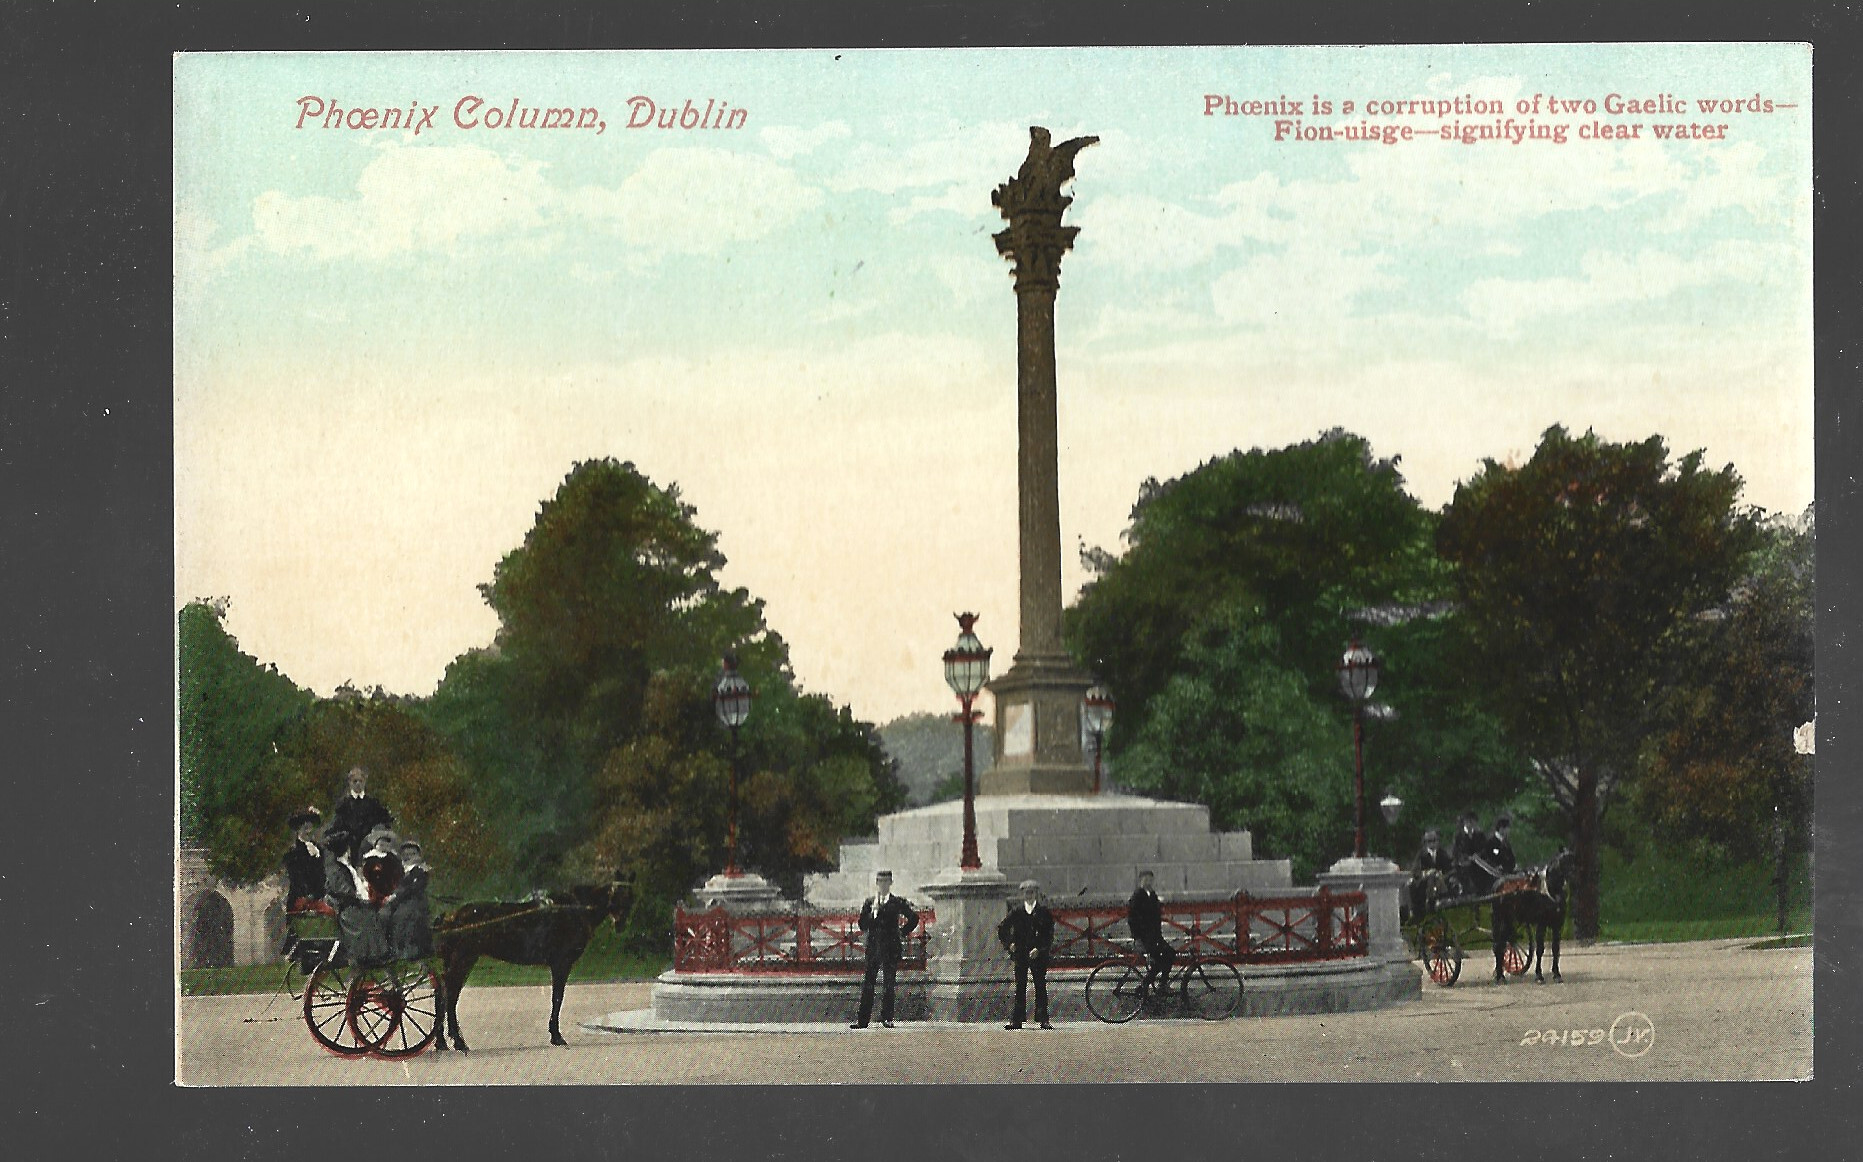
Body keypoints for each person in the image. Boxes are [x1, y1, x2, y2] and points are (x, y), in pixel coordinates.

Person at [850, 870, 919, 1029]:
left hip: (890, 947)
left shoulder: (896, 902)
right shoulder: (870, 902)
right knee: (868, 983)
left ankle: (887, 1018)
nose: (883, 885)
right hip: (873, 947)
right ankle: (863, 1021)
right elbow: (862, 925)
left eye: (886, 882)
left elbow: (914, 918)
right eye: (880, 882)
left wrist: (902, 933)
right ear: (876, 883)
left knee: (889, 983)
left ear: (890, 883)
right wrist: (873, 913)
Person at [997, 879, 1055, 1030]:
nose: (1028, 895)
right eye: (1026, 892)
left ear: (1036, 893)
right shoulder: (1017, 912)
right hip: (1021, 954)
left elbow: (1049, 935)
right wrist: (1010, 944)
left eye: (1031, 892)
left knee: (1040, 986)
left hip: (1037, 955)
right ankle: (1017, 1020)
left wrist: (1040, 949)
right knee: (1020, 986)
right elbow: (1002, 929)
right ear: (1022, 894)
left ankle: (1043, 1019)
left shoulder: (1044, 913)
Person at [380, 839, 434, 960]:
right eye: (406, 854)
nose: (409, 856)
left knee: (402, 916)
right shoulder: (399, 870)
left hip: (414, 902)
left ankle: (403, 950)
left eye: (412, 854)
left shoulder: (420, 870)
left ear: (418, 855)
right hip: (399, 901)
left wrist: (396, 897)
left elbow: (413, 889)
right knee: (382, 915)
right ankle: (383, 948)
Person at [328, 766, 394, 862]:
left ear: (365, 782)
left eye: (360, 781)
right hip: (349, 848)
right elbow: (336, 826)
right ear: (350, 782)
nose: (358, 784)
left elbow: (386, 822)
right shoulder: (343, 805)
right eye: (355, 781)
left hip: (370, 848)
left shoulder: (373, 803)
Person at [1126, 869, 1176, 995]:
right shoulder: (1137, 895)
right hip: (1145, 938)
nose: (1148, 882)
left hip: (1155, 936)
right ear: (1140, 881)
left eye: (1150, 880)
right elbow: (1132, 918)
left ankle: (1162, 984)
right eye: (1145, 879)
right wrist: (1137, 938)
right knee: (1161, 961)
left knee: (1170, 953)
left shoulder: (1152, 894)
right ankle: (1147, 984)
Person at [1408, 829, 1453, 916]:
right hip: (1425, 884)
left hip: (1441, 882)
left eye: (1434, 840)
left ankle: (1442, 902)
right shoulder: (1421, 855)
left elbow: (1449, 868)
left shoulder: (1442, 853)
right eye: (1429, 841)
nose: (1432, 843)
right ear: (1425, 843)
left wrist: (1440, 874)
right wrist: (1427, 873)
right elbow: (1415, 871)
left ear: (1438, 841)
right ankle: (1429, 905)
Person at [1449, 811, 1483, 895]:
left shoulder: (1480, 835)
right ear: (1464, 822)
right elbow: (1456, 852)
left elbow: (1484, 848)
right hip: (1464, 863)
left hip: (1479, 862)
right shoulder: (1459, 836)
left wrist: (1478, 855)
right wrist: (1467, 858)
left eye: (1472, 821)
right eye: (1468, 821)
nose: (1471, 824)